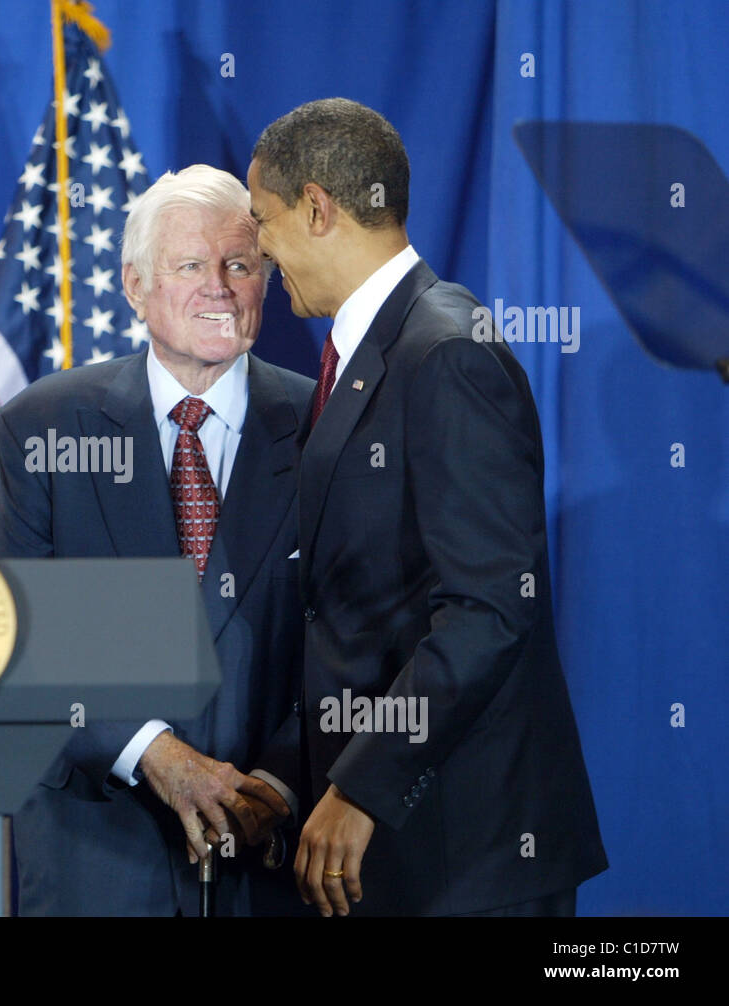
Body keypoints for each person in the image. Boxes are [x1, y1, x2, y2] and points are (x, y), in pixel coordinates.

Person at [246, 98, 608, 917]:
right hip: (406, 849)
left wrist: (362, 787)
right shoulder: (374, 352)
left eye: (262, 220)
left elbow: (487, 612)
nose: (260, 248)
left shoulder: (443, 352)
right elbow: (353, 612)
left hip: (466, 854)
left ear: (316, 207)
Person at [0, 164, 315, 916]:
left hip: (267, 862)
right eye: (192, 265)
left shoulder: (325, 425)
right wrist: (153, 753)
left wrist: (276, 783)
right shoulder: (44, 425)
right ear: (134, 285)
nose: (221, 288)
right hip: (96, 855)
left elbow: (357, 641)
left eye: (241, 264)